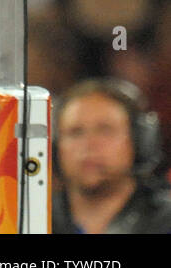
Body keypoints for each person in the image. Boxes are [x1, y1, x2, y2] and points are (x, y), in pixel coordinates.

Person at [53, 77, 171, 234]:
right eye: (76, 132)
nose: (89, 144)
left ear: (140, 140)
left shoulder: (166, 220)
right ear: (55, 146)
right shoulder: (29, 218)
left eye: (105, 130)